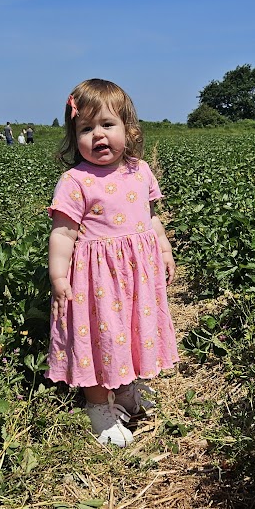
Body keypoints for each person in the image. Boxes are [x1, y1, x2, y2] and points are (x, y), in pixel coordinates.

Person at [47, 79, 178, 447]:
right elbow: (62, 233)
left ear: (129, 130)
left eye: (107, 125)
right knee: (100, 335)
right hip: (96, 281)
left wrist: (164, 250)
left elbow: (151, 218)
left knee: (130, 330)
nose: (98, 135)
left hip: (135, 275)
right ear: (74, 138)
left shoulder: (140, 170)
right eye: (86, 128)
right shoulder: (75, 181)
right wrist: (59, 276)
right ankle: (96, 405)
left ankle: (123, 391)